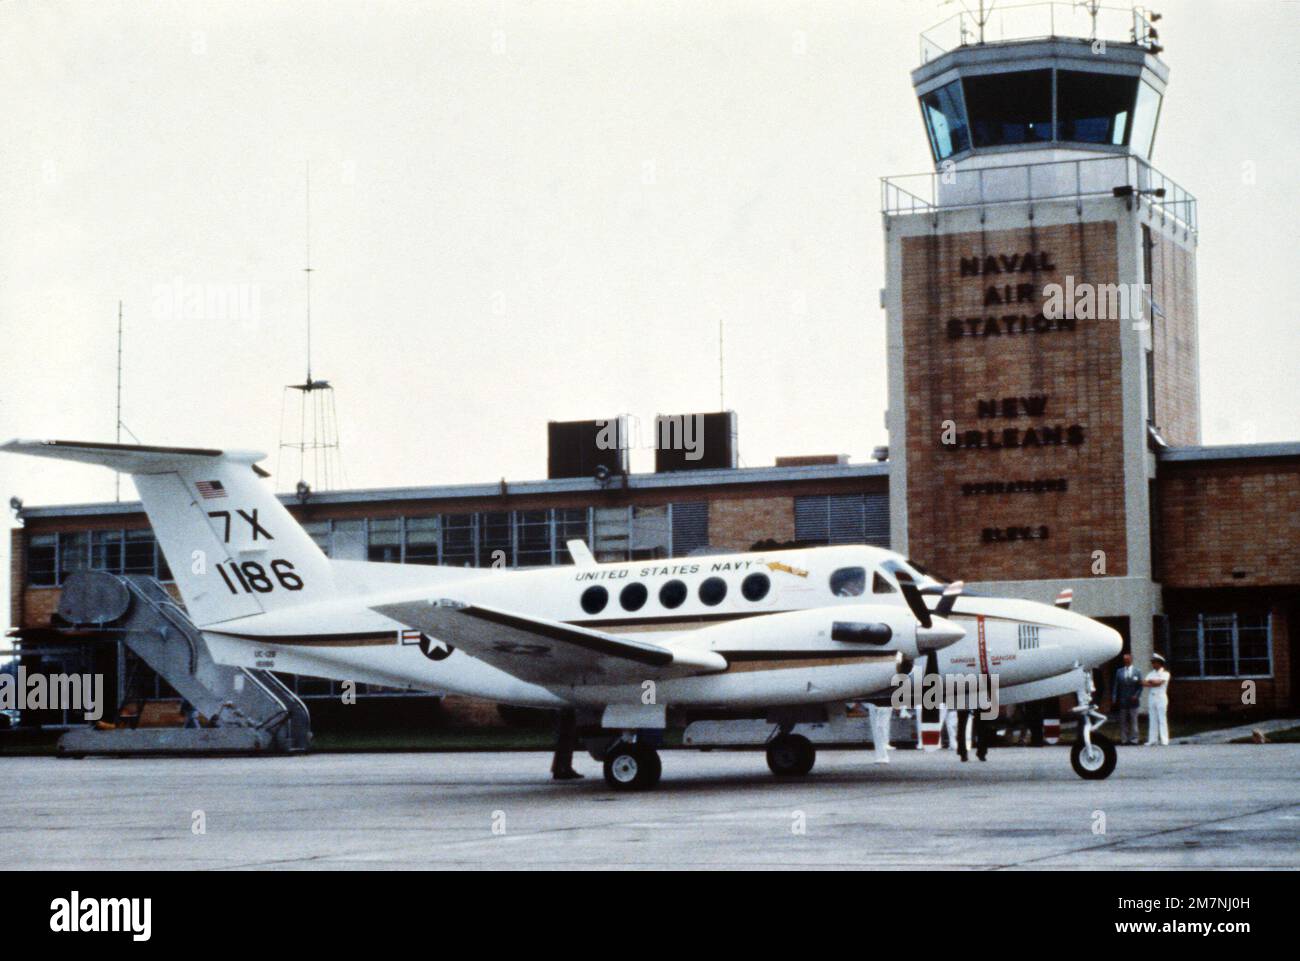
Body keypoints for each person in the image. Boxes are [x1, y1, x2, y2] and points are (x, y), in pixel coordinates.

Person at [1110, 653, 1143, 745]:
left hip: (1133, 700)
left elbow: (1140, 686)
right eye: (1125, 659)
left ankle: (1134, 739)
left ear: (1131, 660)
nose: (1126, 661)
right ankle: (1124, 739)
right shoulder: (1119, 671)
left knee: (1134, 720)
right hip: (1123, 700)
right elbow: (1116, 686)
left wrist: (1136, 695)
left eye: (1128, 659)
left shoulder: (1137, 671)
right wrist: (1114, 697)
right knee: (1123, 720)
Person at [1143, 654, 1171, 746]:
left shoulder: (1165, 673)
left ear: (1160, 663)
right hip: (1152, 696)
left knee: (1162, 718)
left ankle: (1164, 739)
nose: (1153, 664)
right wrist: (1153, 682)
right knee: (1152, 718)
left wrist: (1152, 682)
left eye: (1154, 662)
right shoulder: (1151, 673)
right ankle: (1152, 739)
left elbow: (1159, 683)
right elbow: (1144, 683)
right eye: (1152, 662)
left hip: (1161, 697)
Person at [550, 708, 584, 780]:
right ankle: (562, 769)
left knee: (566, 740)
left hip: (564, 712)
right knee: (566, 738)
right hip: (565, 712)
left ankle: (561, 768)